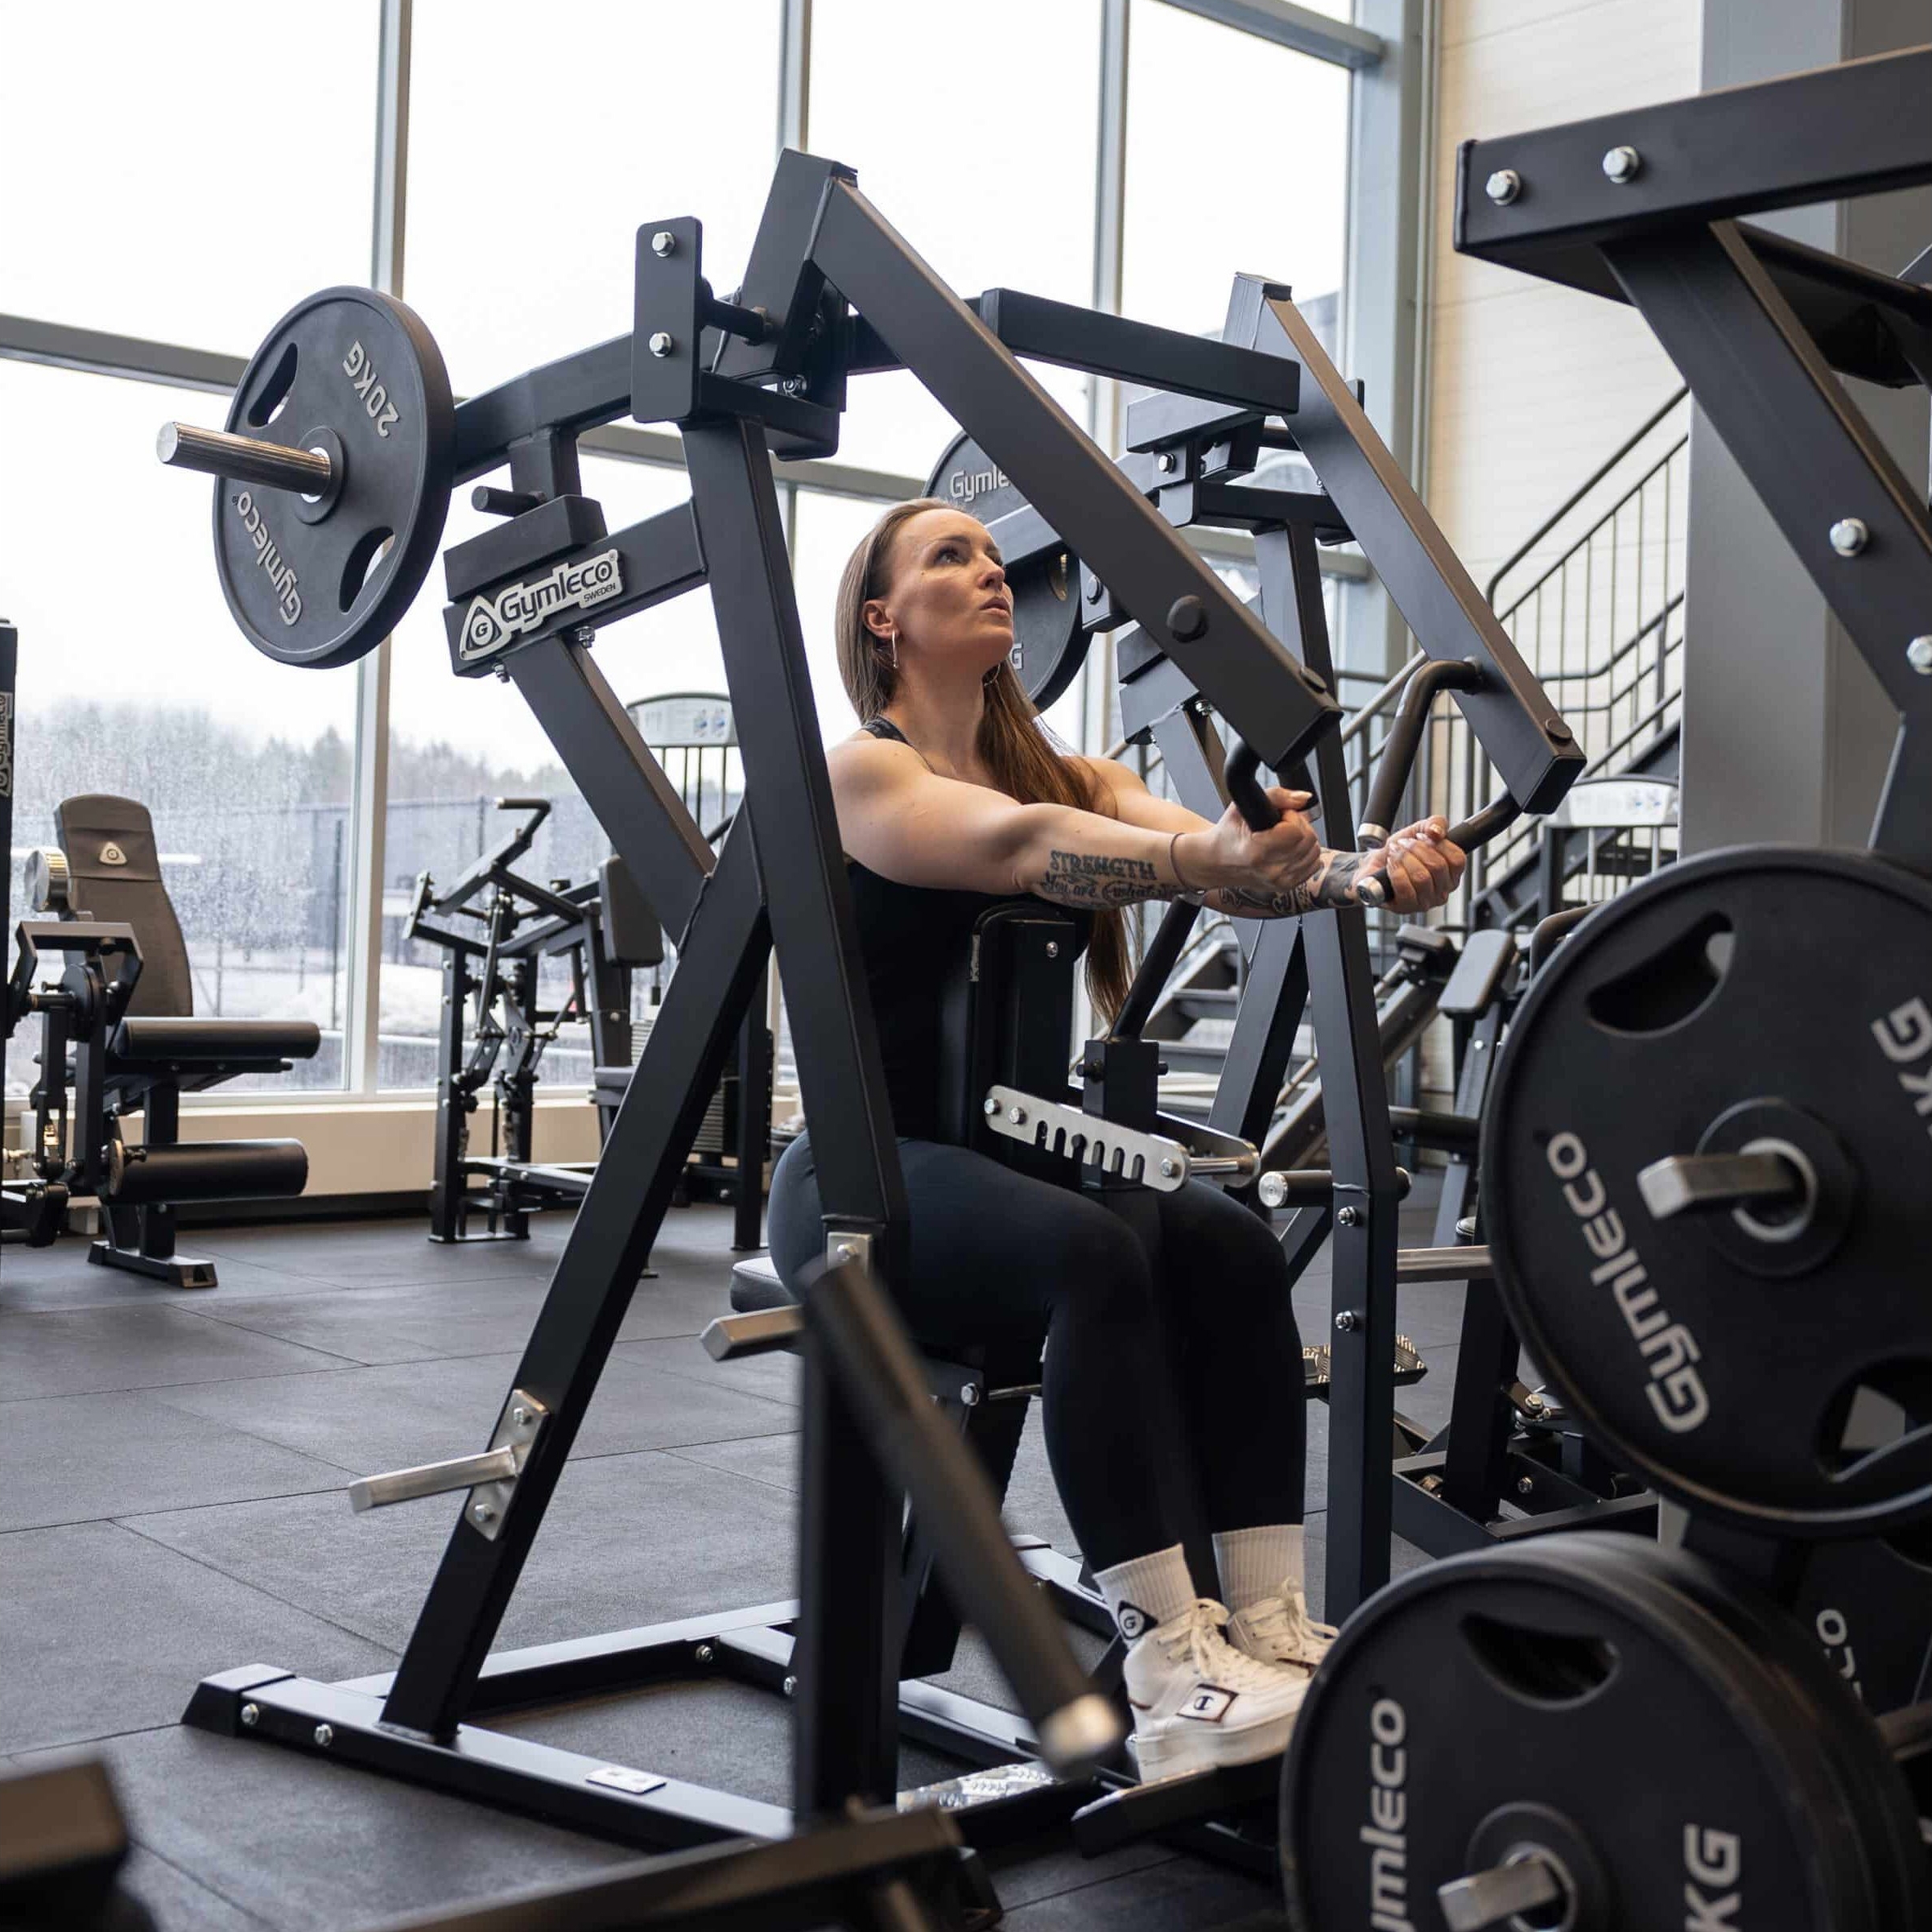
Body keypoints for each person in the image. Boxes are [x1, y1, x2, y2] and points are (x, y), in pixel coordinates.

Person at [767, 499, 1464, 1779]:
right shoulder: (864, 770)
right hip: (867, 1176)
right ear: (883, 617)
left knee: (1233, 1248)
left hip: (1013, 1156)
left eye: (991, 554)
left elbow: (1213, 859)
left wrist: (1359, 871)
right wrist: (1209, 852)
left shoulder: (1068, 771)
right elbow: (1034, 852)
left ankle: (1261, 1626)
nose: (989, 573)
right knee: (1093, 1252)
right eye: (950, 558)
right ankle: (1168, 1665)